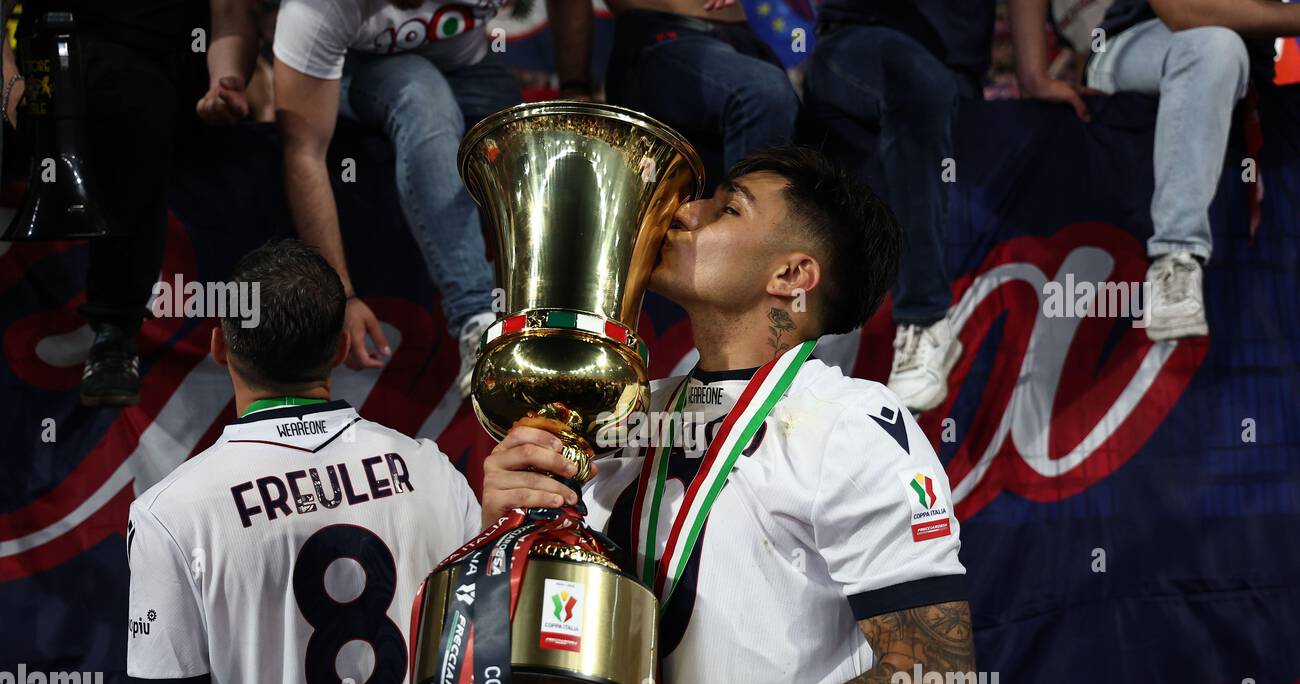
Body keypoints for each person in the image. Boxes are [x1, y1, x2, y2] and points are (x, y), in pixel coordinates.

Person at [484, 145, 978, 684]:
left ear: (792, 276)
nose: (678, 211)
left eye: (723, 207)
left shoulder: (850, 424)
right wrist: (509, 536)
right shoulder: (622, 414)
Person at [103, 240, 575, 684]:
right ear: (336, 349)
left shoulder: (175, 512)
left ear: (220, 347)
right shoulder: (433, 473)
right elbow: (488, 674)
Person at [271, 0, 592, 399]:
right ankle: (478, 327)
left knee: (533, 139)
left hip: (470, 65)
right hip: (359, 71)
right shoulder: (320, 8)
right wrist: (341, 295)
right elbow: (304, 153)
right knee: (422, 95)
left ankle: (562, 319)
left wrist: (576, 85)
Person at [804, 0, 1099, 412]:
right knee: (911, 81)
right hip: (854, 44)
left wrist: (1033, 74)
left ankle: (924, 328)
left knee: (926, 86)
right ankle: (922, 318)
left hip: (953, 71)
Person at [1, 0, 257, 407]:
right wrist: (7, 71)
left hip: (158, 67)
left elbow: (229, 14)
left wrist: (225, 82)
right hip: (45, 58)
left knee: (127, 90)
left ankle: (115, 330)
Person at [1086, 0, 1296, 341]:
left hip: (1248, 70)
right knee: (1215, 44)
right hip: (1137, 44)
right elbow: (1182, 11)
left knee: (1223, 49)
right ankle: (1174, 257)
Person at [602, 0, 800, 174]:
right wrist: (574, 85)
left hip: (743, 36)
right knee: (762, 92)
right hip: (662, 32)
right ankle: (746, 213)